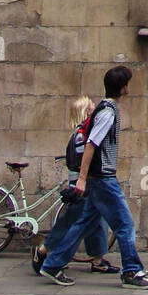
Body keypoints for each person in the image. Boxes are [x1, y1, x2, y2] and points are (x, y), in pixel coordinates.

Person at [38, 65, 148, 289]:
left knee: (84, 222)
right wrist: (82, 179)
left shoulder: (104, 108)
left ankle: (53, 264)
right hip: (102, 179)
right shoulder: (107, 113)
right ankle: (132, 272)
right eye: (127, 84)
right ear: (123, 88)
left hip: (98, 178)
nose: (128, 88)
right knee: (124, 224)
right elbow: (92, 144)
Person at [32, 96, 119, 275]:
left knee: (96, 221)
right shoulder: (82, 135)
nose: (96, 109)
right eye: (93, 107)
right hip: (83, 186)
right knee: (72, 222)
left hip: (89, 185)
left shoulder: (84, 131)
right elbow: (83, 162)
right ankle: (45, 252)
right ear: (87, 112)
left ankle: (97, 259)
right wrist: (86, 181)